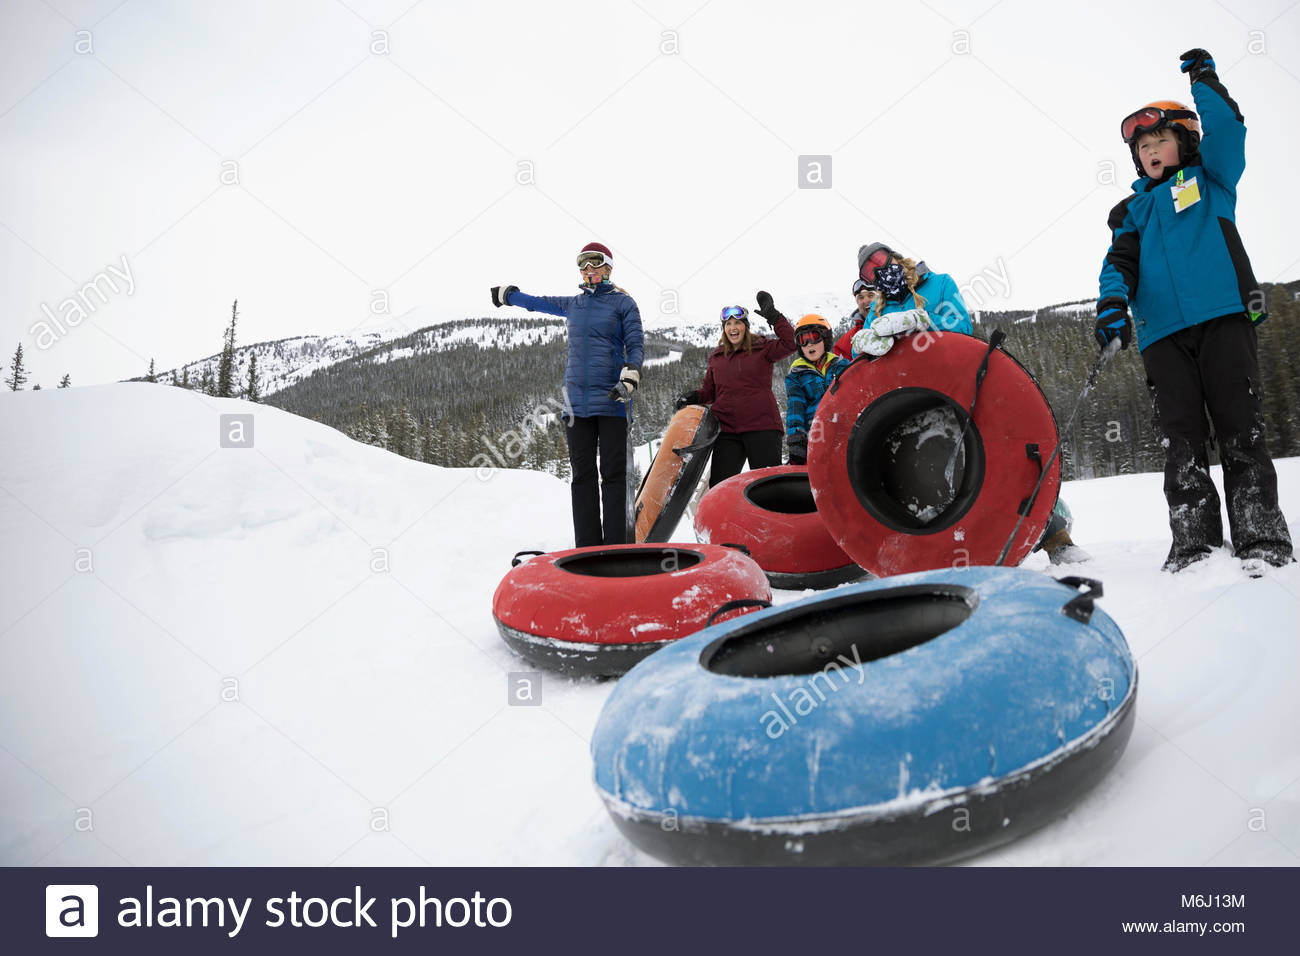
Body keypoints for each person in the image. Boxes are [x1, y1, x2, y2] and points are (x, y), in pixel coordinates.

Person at [1095, 48, 1292, 573]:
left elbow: (1230, 131)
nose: (1152, 150)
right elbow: (1118, 266)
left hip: (1224, 317)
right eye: (1143, 146)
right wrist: (1112, 306)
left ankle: (1261, 540)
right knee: (1180, 440)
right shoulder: (1130, 212)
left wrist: (1205, 81)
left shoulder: (1212, 179)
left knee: (1239, 427)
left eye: (1160, 139)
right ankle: (1194, 548)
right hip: (1162, 336)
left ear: (1183, 141)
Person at [852, 242, 1091, 564]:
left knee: (1006, 463)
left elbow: (961, 327)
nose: (878, 271)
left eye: (880, 260)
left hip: (962, 391)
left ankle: (1057, 539)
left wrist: (920, 318)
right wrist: (864, 343)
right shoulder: (878, 310)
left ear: (895, 257)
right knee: (944, 478)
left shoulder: (937, 284)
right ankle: (964, 555)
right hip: (914, 406)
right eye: (868, 271)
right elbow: (863, 360)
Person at [491, 241, 643, 547]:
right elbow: (537, 302)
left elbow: (636, 343)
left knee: (612, 477)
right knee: (581, 477)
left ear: (608, 268)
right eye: (583, 265)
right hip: (575, 405)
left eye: (595, 264)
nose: (589, 270)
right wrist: (509, 295)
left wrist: (631, 373)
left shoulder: (624, 304)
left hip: (612, 400)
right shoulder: (574, 304)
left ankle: (616, 547)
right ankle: (587, 547)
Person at [676, 293, 796, 486]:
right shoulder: (716, 357)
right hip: (727, 431)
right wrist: (692, 397)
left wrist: (774, 316)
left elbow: (791, 343)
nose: (733, 328)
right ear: (724, 329)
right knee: (720, 487)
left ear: (746, 327)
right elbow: (709, 392)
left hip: (762, 427)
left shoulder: (762, 348)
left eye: (737, 323)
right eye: (728, 324)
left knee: (768, 487)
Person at [785, 314, 849, 465]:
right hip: (815, 432)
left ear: (825, 339)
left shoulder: (842, 365)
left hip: (844, 427)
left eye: (814, 337)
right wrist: (796, 439)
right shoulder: (796, 375)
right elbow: (795, 406)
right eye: (802, 340)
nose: (808, 344)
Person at [832, 278, 874, 360]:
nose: (866, 301)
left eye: (870, 295)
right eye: (861, 298)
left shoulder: (897, 320)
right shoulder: (846, 343)